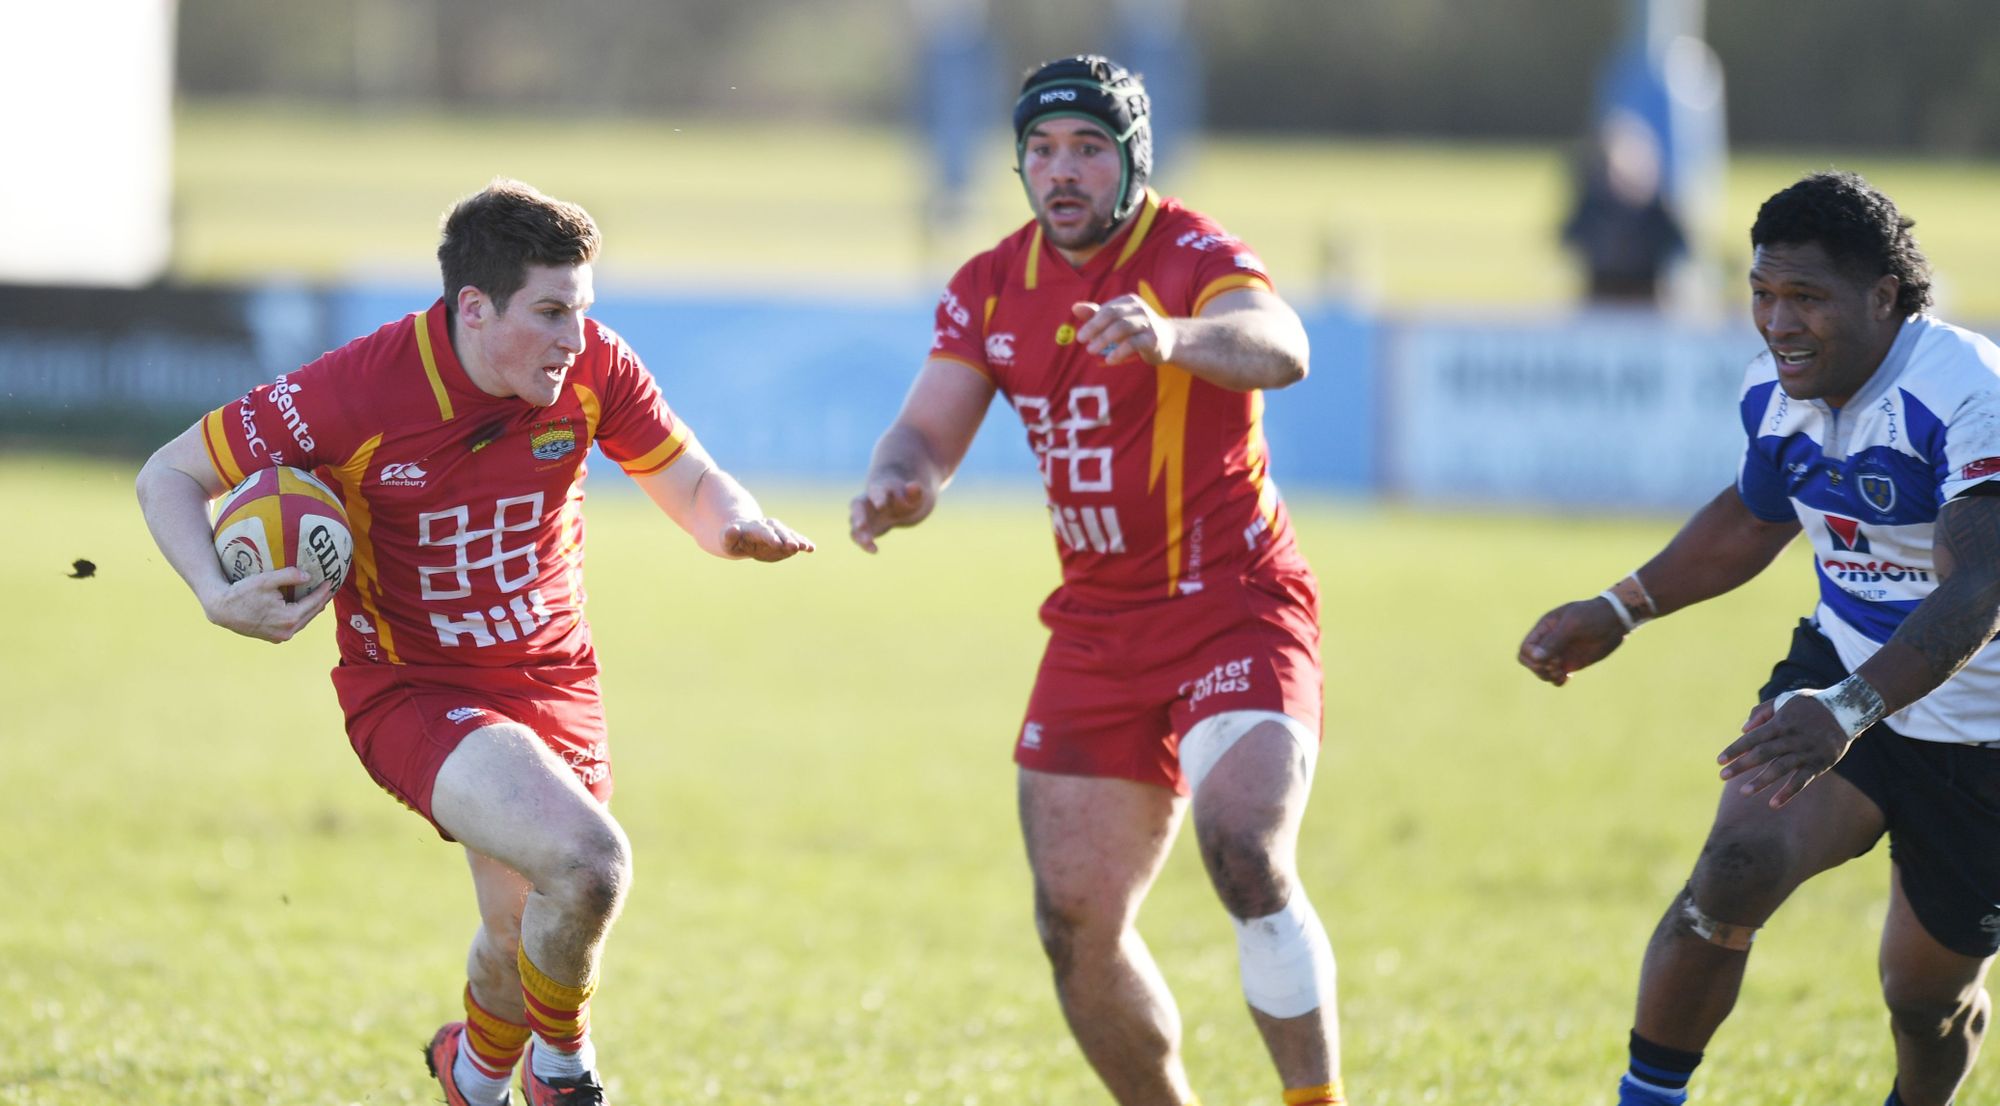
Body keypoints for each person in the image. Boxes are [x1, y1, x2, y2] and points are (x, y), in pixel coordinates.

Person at [135, 179, 813, 1106]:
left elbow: (689, 480)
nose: (575, 339)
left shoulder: (593, 369)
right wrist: (216, 594)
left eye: (582, 311)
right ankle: (563, 1074)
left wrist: (738, 523)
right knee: (590, 863)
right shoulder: (355, 390)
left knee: (521, 933)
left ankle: (473, 1075)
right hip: (413, 688)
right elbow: (169, 474)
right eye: (551, 312)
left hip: (553, 676)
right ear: (474, 308)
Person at [850, 55, 1343, 1106]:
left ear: (1130, 161)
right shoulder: (990, 284)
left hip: (1232, 602)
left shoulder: (1187, 249)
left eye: (1086, 149)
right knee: (1071, 924)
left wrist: (1172, 337)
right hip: (1096, 628)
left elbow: (1281, 343)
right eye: (1040, 151)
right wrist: (897, 482)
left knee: (1245, 851)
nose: (1060, 172)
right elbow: (927, 427)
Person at [1519, 170, 2000, 1106]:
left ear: (1884, 296)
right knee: (1731, 874)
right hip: (1840, 676)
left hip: (1982, 728)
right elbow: (1755, 513)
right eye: (1762, 293)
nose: (1778, 322)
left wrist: (1851, 711)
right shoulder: (1776, 390)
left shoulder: (1966, 390)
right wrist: (1619, 608)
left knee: (1924, 1001)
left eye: (1806, 298)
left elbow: (1982, 586)